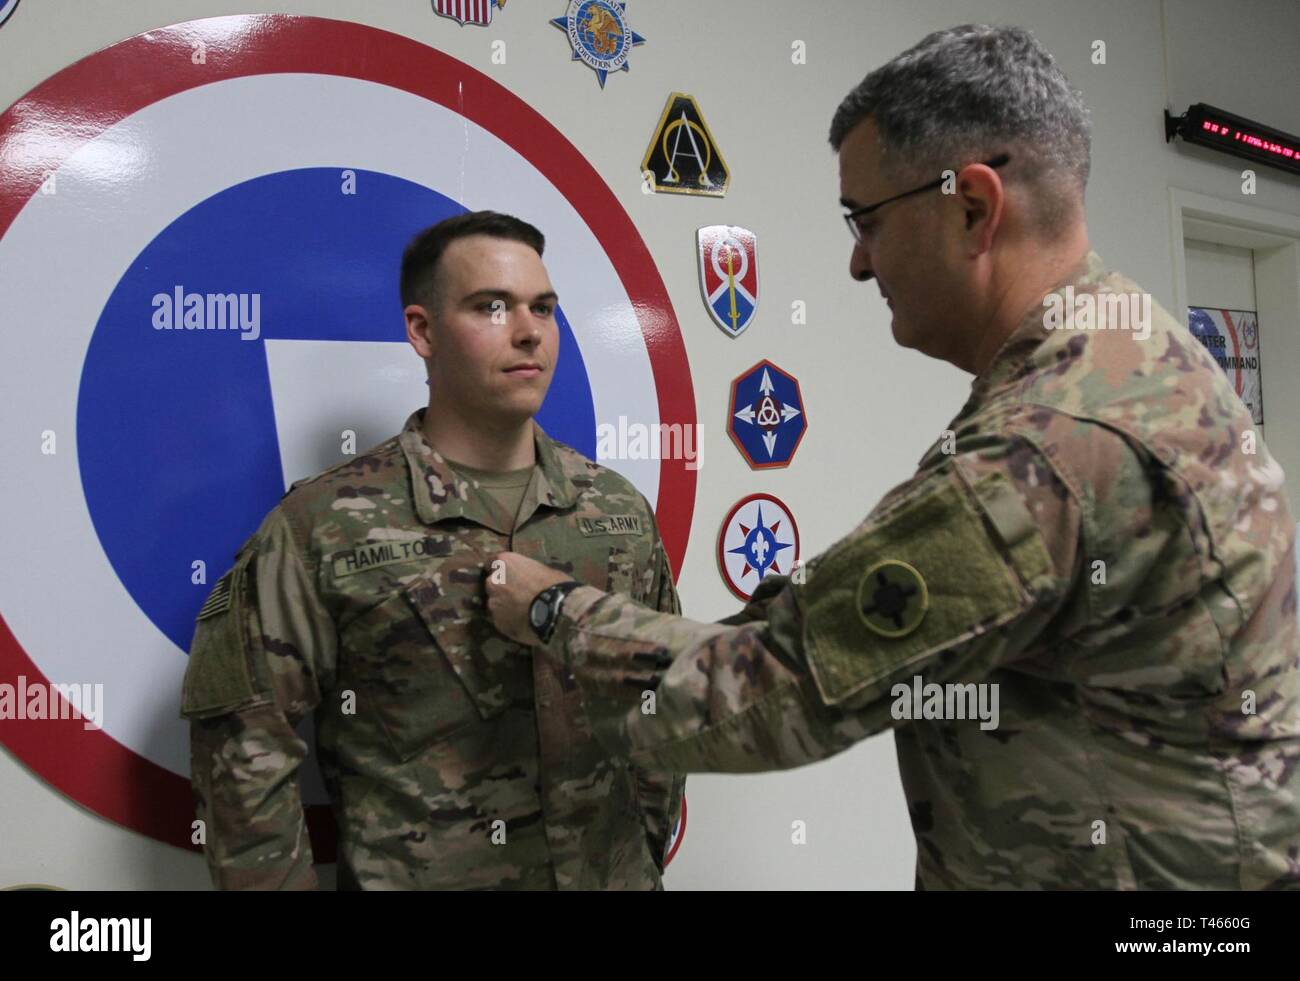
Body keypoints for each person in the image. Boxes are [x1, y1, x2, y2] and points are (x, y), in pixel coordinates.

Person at [486, 25, 1300, 889]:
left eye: (867, 220)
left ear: (974, 207)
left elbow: (774, 699)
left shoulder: (1048, 439)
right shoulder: (1129, 348)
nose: (856, 262)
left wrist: (554, 613)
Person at [181, 210, 683, 890]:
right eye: (492, 307)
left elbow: (661, 710)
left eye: (544, 307)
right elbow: (246, 758)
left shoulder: (615, 511)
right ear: (422, 330)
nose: (530, 330)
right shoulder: (324, 525)